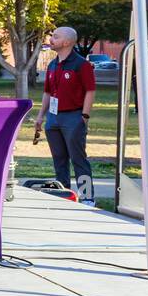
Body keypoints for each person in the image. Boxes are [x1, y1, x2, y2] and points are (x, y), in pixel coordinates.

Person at [34, 25, 97, 205]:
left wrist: (84, 116)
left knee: (78, 159)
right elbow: (47, 93)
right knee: (59, 159)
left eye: (56, 36)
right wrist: (40, 117)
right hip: (53, 118)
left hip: (73, 117)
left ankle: (87, 197)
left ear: (67, 42)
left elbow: (90, 91)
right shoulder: (53, 64)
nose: (51, 39)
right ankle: (64, 195)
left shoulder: (81, 65)